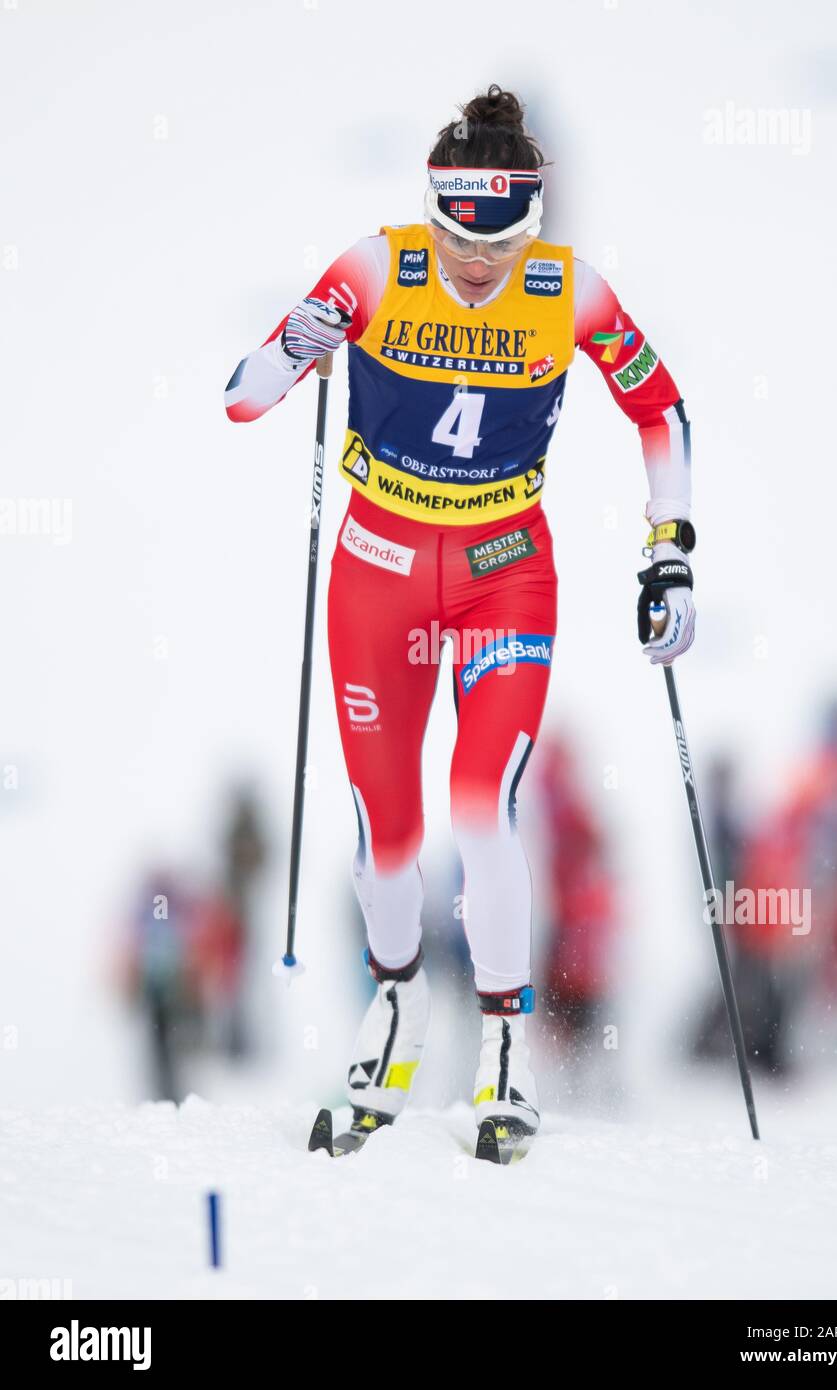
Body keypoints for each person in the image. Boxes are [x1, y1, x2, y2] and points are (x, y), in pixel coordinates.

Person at [225, 85, 695, 1146]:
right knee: (388, 836)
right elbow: (242, 397)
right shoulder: (372, 267)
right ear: (428, 212)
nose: (474, 266)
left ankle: (502, 1039)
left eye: (504, 241)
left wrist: (670, 552)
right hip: (377, 567)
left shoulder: (565, 291)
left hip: (501, 571)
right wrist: (295, 344)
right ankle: (393, 1004)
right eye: (451, 239)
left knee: (481, 806)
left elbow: (657, 407)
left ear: (534, 225)